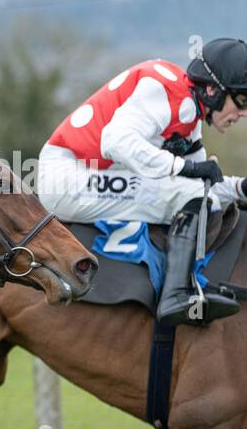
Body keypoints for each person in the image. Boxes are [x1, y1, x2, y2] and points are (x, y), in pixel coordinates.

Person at [36, 38, 247, 325]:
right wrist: (182, 166)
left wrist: (238, 187)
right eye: (242, 101)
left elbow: (203, 184)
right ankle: (176, 295)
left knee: (196, 193)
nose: (244, 113)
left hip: (89, 173)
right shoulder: (166, 92)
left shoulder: (189, 115)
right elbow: (116, 142)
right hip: (67, 177)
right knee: (186, 195)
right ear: (212, 90)